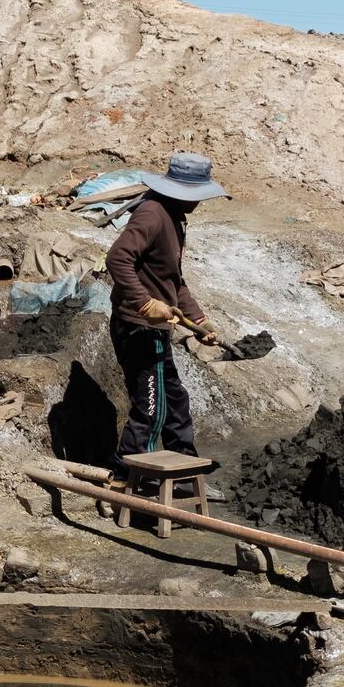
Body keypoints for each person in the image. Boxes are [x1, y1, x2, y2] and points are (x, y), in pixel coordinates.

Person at [103, 151, 227, 474]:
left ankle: (185, 470)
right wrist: (145, 303)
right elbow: (117, 258)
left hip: (155, 331)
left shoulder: (173, 218)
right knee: (151, 411)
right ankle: (128, 479)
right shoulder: (153, 215)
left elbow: (174, 281)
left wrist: (199, 321)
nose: (199, 203)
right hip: (139, 328)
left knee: (175, 402)